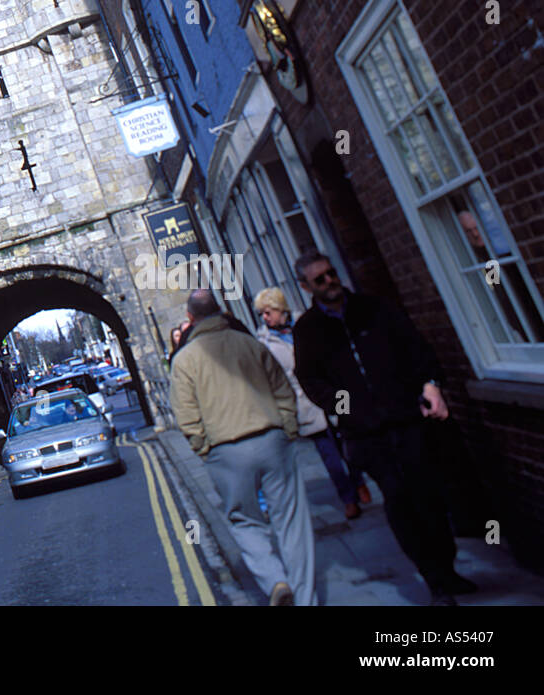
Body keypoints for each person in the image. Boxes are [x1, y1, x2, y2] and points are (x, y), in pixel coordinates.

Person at [291, 251, 472, 605]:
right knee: (400, 501)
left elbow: (415, 348)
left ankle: (448, 569)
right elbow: (310, 379)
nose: (330, 283)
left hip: (406, 420)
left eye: (331, 274)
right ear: (305, 287)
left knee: (430, 496)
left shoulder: (376, 308)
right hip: (366, 434)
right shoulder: (308, 329)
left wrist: (430, 384)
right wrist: (345, 408)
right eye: (319, 280)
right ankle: (433, 578)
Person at [170, 288, 316, 606]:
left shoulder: (184, 361)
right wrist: (288, 428)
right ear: (221, 311)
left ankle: (275, 580)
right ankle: (306, 600)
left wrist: (204, 450)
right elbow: (282, 389)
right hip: (271, 438)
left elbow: (186, 415)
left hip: (226, 451)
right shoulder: (250, 344)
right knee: (291, 521)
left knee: (245, 522)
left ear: (191, 319)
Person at [253, 286, 371, 519]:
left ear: (279, 309)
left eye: (267, 312)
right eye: (261, 314)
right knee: (330, 457)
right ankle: (348, 498)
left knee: (350, 443)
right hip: (304, 401)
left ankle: (359, 482)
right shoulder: (264, 342)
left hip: (335, 392)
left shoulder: (306, 324)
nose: (265, 318)